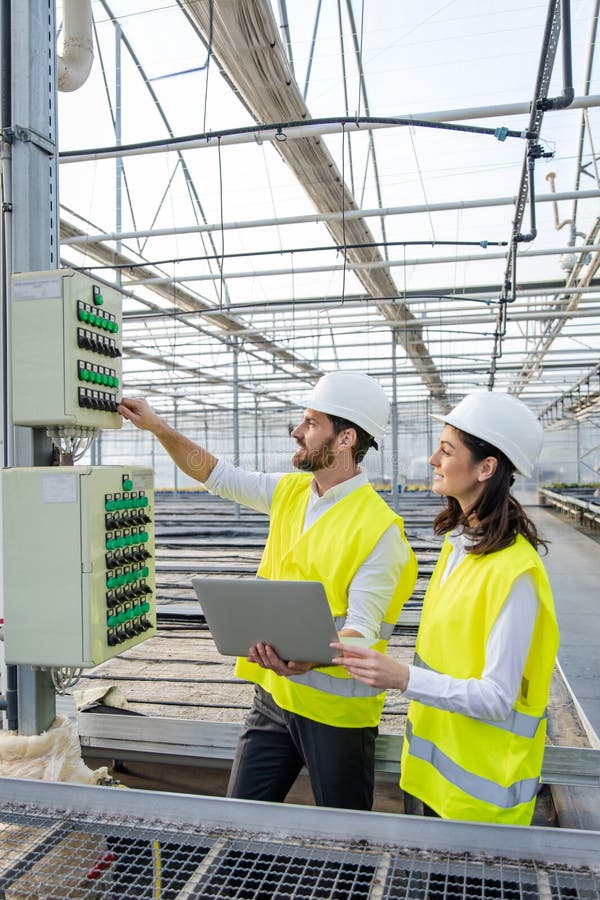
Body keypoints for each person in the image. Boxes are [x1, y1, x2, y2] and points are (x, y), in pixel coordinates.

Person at [118, 371, 417, 810]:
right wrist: (158, 427)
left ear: (346, 439)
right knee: (242, 820)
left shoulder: (380, 531)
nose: (297, 431)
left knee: (348, 834)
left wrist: (312, 657)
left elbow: (364, 629)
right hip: (274, 696)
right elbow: (218, 475)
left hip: (336, 716)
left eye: (311, 423)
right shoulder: (291, 492)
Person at [332, 391, 559, 825]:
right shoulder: (459, 545)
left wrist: (400, 677)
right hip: (430, 784)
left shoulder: (516, 573)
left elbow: (497, 698)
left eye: (447, 450)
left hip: (482, 806)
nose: (433, 459)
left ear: (486, 468)